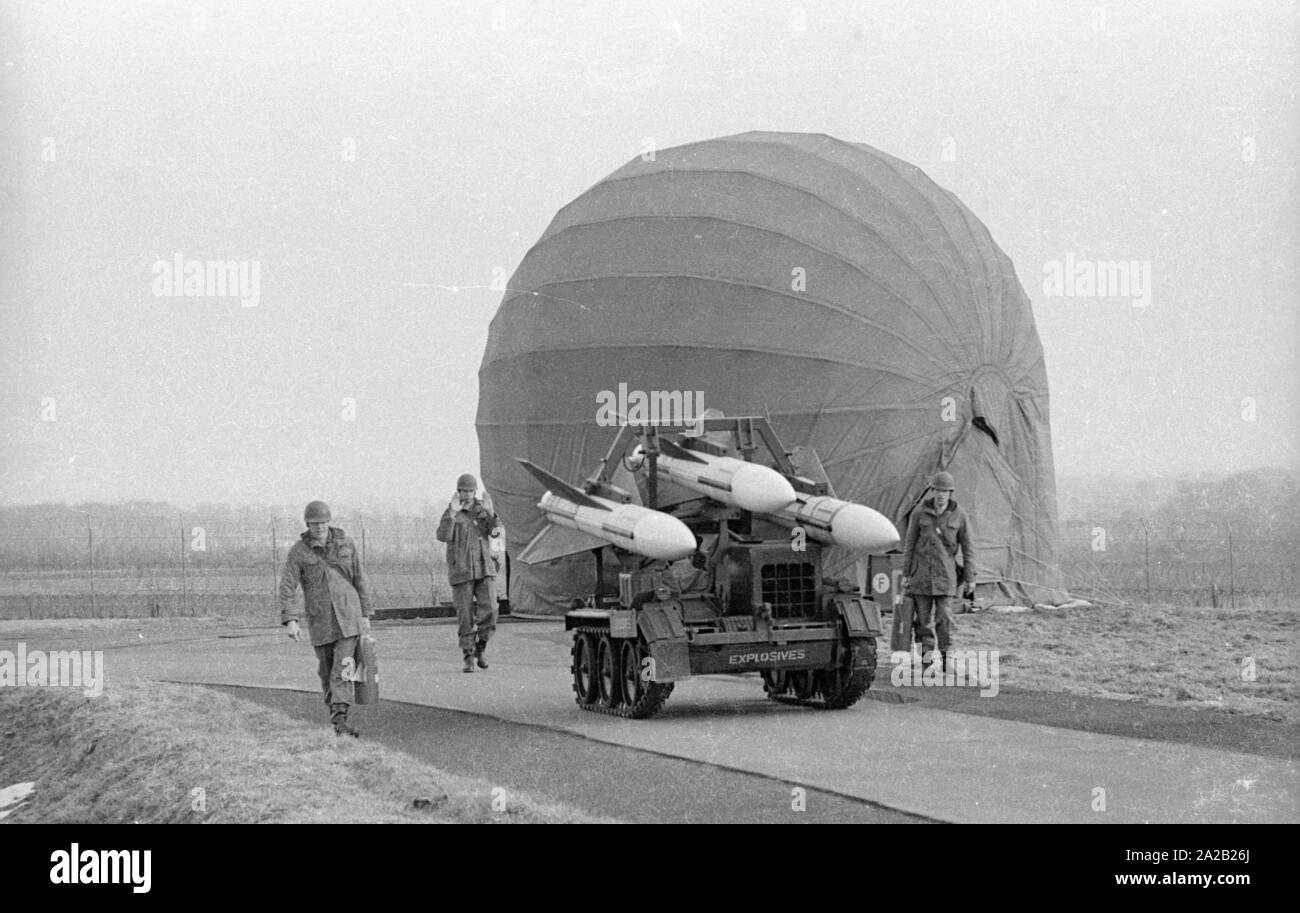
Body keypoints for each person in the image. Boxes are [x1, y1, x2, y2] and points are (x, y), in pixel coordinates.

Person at [278, 500, 374, 736]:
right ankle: (336, 717)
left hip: (348, 618)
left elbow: (360, 579)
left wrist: (366, 614)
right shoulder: (299, 552)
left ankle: (341, 721)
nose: (319, 527)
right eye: (314, 523)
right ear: (307, 524)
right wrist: (291, 620)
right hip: (320, 621)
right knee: (326, 670)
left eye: (322, 522)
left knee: (342, 669)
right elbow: (287, 587)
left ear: (329, 522)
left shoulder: (346, 544)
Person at [901, 471, 975, 671]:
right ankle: (926, 658)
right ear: (932, 491)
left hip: (945, 576)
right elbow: (909, 544)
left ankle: (947, 658)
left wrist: (970, 578)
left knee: (945, 618)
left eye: (945, 491)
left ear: (951, 493)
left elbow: (968, 547)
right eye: (938, 490)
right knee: (923, 620)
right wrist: (906, 574)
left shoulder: (960, 514)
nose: (941, 495)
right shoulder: (919, 512)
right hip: (921, 575)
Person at [437, 473, 504, 673]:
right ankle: (468, 655)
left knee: (491, 609)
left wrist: (492, 515)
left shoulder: (483, 511)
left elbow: (496, 537)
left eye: (470, 490)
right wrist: (451, 514)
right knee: (465, 616)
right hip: (462, 570)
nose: (466, 494)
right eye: (463, 490)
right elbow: (443, 536)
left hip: (485, 568)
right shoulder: (452, 512)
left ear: (475, 491)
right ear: (458, 491)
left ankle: (480, 647)